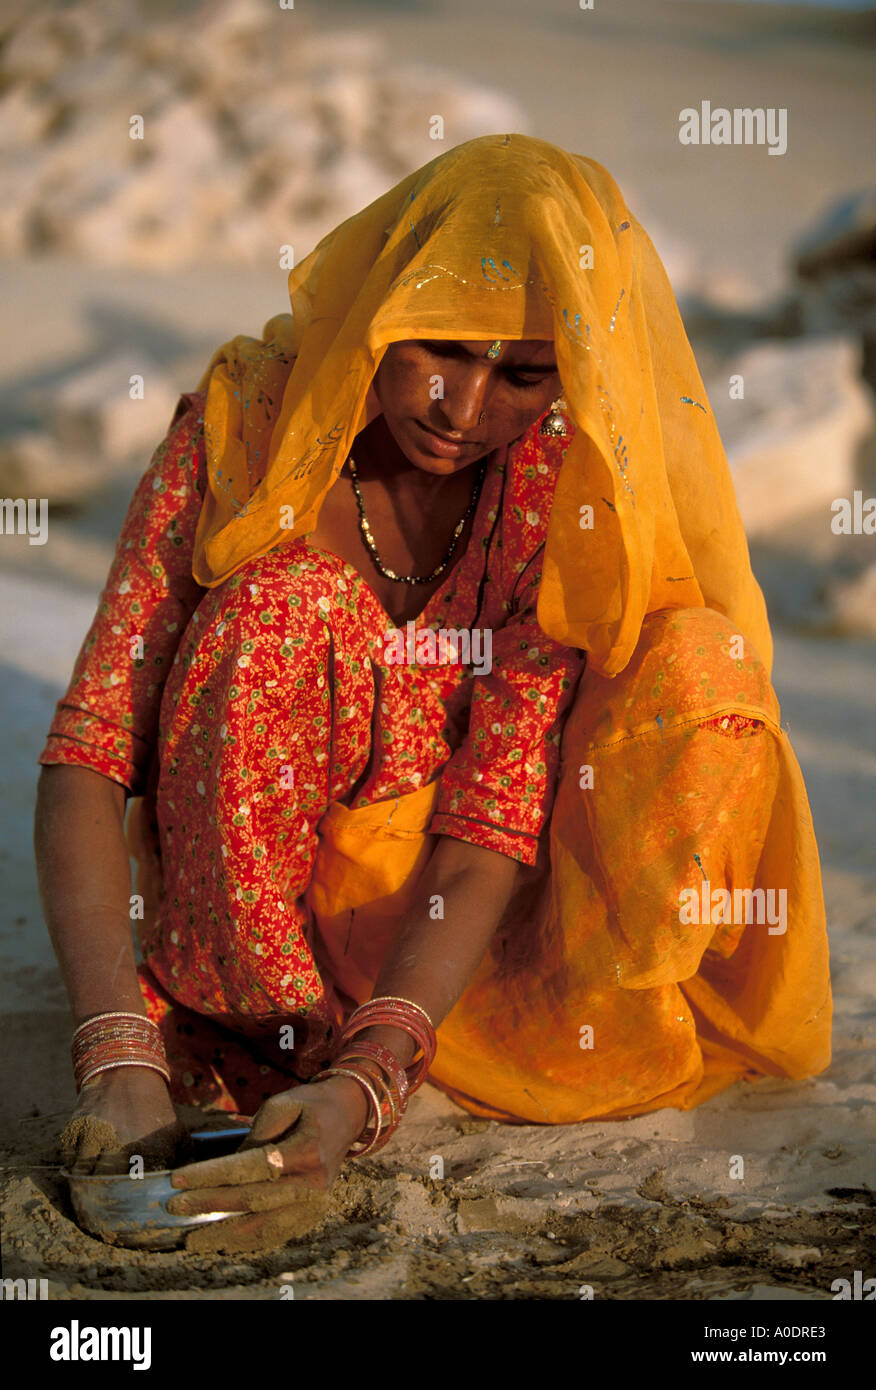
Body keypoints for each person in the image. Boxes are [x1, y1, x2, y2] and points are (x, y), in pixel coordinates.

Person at [34, 134, 831, 1254]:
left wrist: (369, 1076)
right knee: (281, 605)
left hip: (445, 928)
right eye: (438, 349)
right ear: (381, 310)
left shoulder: (555, 484)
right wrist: (114, 1052)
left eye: (523, 374)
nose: (462, 406)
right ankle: (242, 1030)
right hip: (247, 917)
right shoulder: (247, 423)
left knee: (707, 666)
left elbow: (494, 814)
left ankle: (403, 1042)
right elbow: (90, 747)